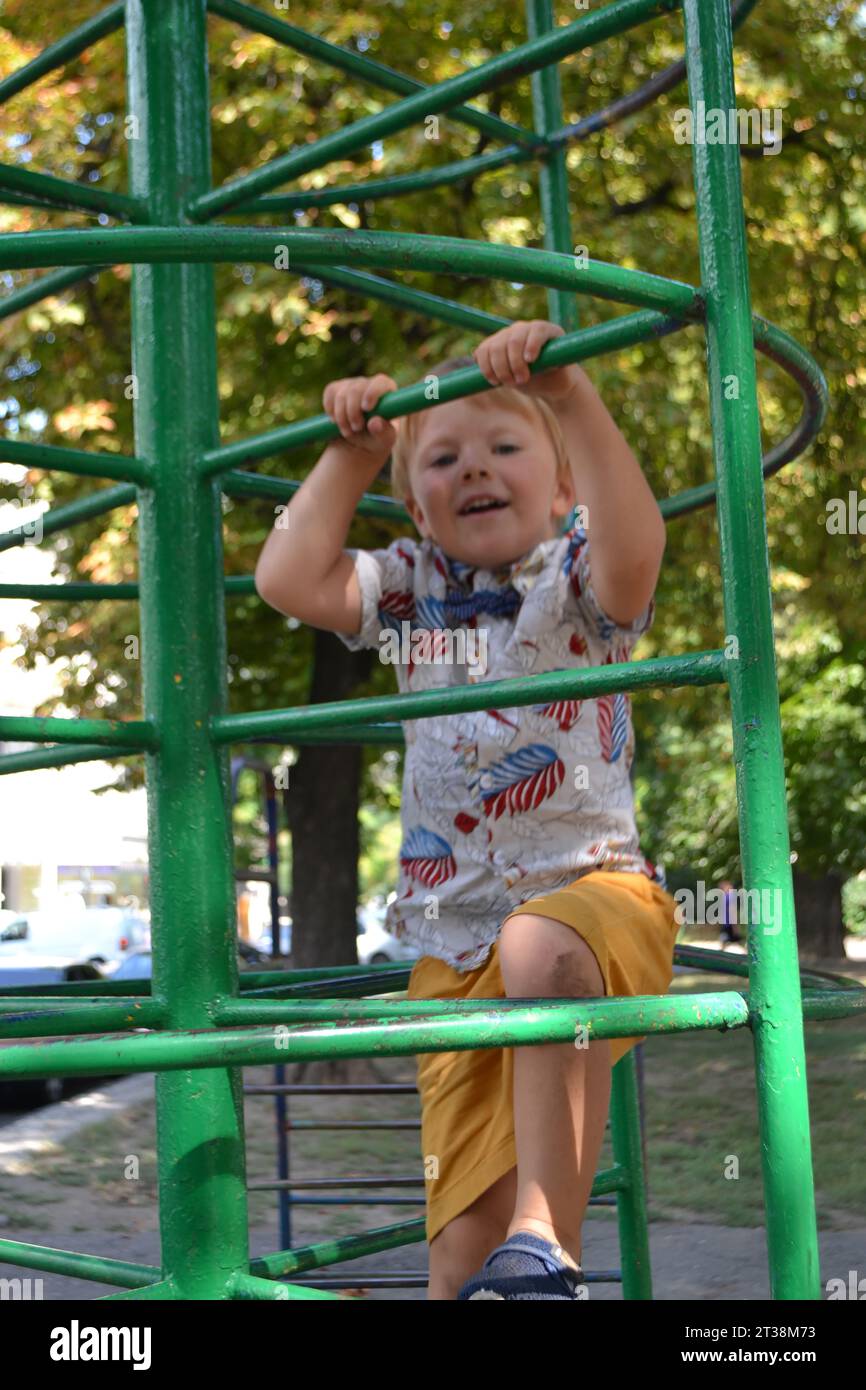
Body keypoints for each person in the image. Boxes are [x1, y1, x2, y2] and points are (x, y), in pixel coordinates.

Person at [255, 318, 680, 1300]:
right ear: (414, 502)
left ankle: (542, 1239)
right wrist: (350, 454)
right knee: (454, 1263)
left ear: (562, 486)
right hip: (451, 947)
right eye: (441, 458)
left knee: (538, 946)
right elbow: (285, 576)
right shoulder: (409, 584)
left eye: (503, 447)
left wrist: (571, 398)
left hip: (594, 897)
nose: (472, 469)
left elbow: (635, 545)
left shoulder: (576, 572)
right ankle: (510, 1260)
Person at [718, 879, 743, 948]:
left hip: (729, 924)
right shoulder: (728, 896)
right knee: (737, 943)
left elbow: (732, 911)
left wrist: (735, 926)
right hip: (728, 924)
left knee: (735, 942)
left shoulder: (728, 896)